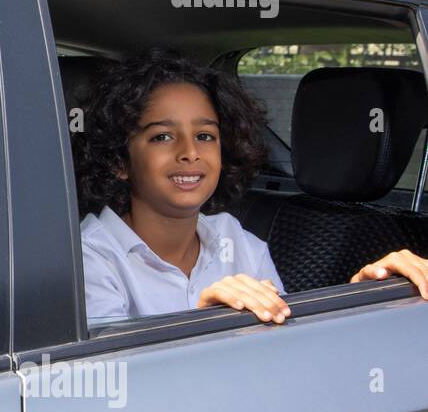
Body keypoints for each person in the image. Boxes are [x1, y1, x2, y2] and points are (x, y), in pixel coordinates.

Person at [73, 47, 428, 325]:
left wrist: (365, 295)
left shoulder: (237, 241)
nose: (190, 152)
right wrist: (206, 320)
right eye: (162, 136)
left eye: (205, 135)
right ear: (119, 161)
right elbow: (119, 385)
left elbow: (284, 348)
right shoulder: (87, 260)